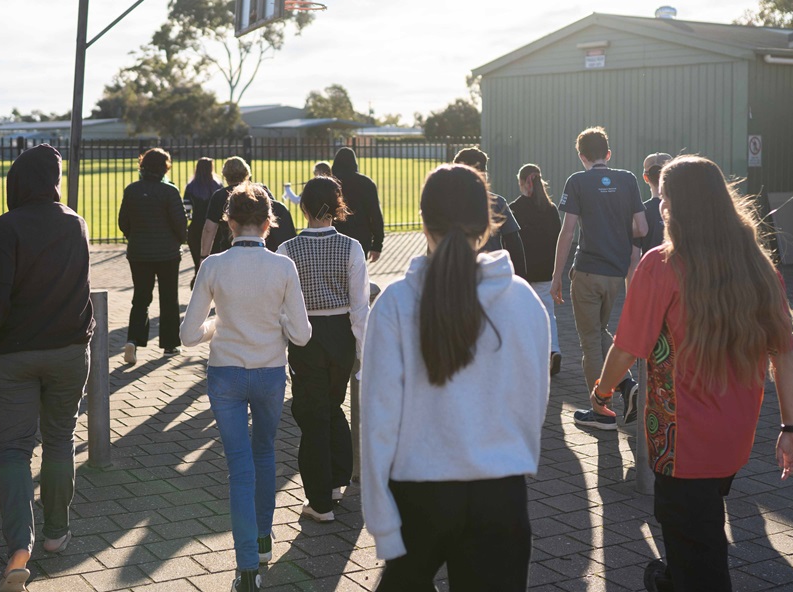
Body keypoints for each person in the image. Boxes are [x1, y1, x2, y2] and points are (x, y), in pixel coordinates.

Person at [588, 156, 793, 592]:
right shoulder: (760, 268)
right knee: (701, 527)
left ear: (677, 205)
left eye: (665, 199)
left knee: (698, 550)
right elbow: (783, 355)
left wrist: (602, 392)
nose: (661, 208)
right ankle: (670, 577)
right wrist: (792, 428)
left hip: (680, 442)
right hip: (733, 438)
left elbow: (628, 348)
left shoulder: (661, 266)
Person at [361, 164, 551, 591]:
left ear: (423, 222)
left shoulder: (394, 304)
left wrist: (382, 522)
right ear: (488, 224)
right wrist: (510, 453)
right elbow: (533, 400)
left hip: (418, 495)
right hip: (500, 494)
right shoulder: (522, 300)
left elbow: (378, 420)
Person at [0, 144, 94, 592]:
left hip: (13, 357)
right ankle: (56, 533)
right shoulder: (77, 223)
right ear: (52, 181)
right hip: (70, 352)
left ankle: (19, 548)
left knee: (14, 449)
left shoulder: (4, 229)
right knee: (60, 440)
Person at [180, 183, 313, 592]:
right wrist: (282, 326)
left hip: (226, 374)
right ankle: (263, 539)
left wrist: (215, 324)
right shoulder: (283, 266)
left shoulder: (214, 266)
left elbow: (187, 335)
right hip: (270, 372)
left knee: (239, 468)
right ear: (268, 223)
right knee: (266, 453)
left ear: (230, 222)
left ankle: (246, 569)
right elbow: (303, 334)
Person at [276, 176, 369, 522]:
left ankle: (320, 501)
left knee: (311, 414)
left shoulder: (286, 250)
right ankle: (336, 481)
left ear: (303, 206)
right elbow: (361, 306)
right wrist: (362, 349)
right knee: (331, 404)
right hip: (342, 332)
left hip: (306, 335)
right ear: (338, 205)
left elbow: (282, 307)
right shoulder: (352, 247)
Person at [550, 126, 647, 431]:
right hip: (615, 274)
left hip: (588, 270)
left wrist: (556, 276)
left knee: (590, 341)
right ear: (608, 153)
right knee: (600, 331)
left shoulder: (577, 181)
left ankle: (599, 410)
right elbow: (642, 228)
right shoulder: (629, 179)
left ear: (581, 156)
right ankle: (628, 384)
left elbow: (567, 233)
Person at [119, 148, 186, 362]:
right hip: (167, 253)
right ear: (164, 167)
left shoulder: (131, 190)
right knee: (168, 298)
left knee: (141, 298)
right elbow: (180, 224)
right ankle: (170, 344)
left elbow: (123, 223)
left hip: (139, 253)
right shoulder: (169, 191)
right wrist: (179, 239)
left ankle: (133, 340)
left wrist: (135, 236)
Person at [509, 163, 563, 376]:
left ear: (522, 183)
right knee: (548, 311)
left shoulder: (514, 208)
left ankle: (527, 355)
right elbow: (558, 239)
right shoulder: (550, 209)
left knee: (522, 313)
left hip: (522, 270)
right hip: (546, 270)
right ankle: (553, 350)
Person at [453, 147, 527, 277]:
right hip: (492, 274)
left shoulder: (446, 203)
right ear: (484, 174)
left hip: (457, 275)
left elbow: (434, 246)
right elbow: (514, 243)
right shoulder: (496, 203)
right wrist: (520, 278)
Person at [331, 147, 384, 262]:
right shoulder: (366, 183)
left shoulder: (330, 184)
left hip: (334, 236)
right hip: (360, 236)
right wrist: (377, 244)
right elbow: (375, 214)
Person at [183, 157, 222, 282]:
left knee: (198, 260)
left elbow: (187, 210)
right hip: (215, 227)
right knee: (214, 260)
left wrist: (191, 218)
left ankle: (198, 285)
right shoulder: (217, 186)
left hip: (196, 226)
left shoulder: (191, 187)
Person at [632, 152, 672, 265]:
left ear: (645, 177)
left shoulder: (639, 214)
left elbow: (634, 259)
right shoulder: (685, 210)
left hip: (651, 277)